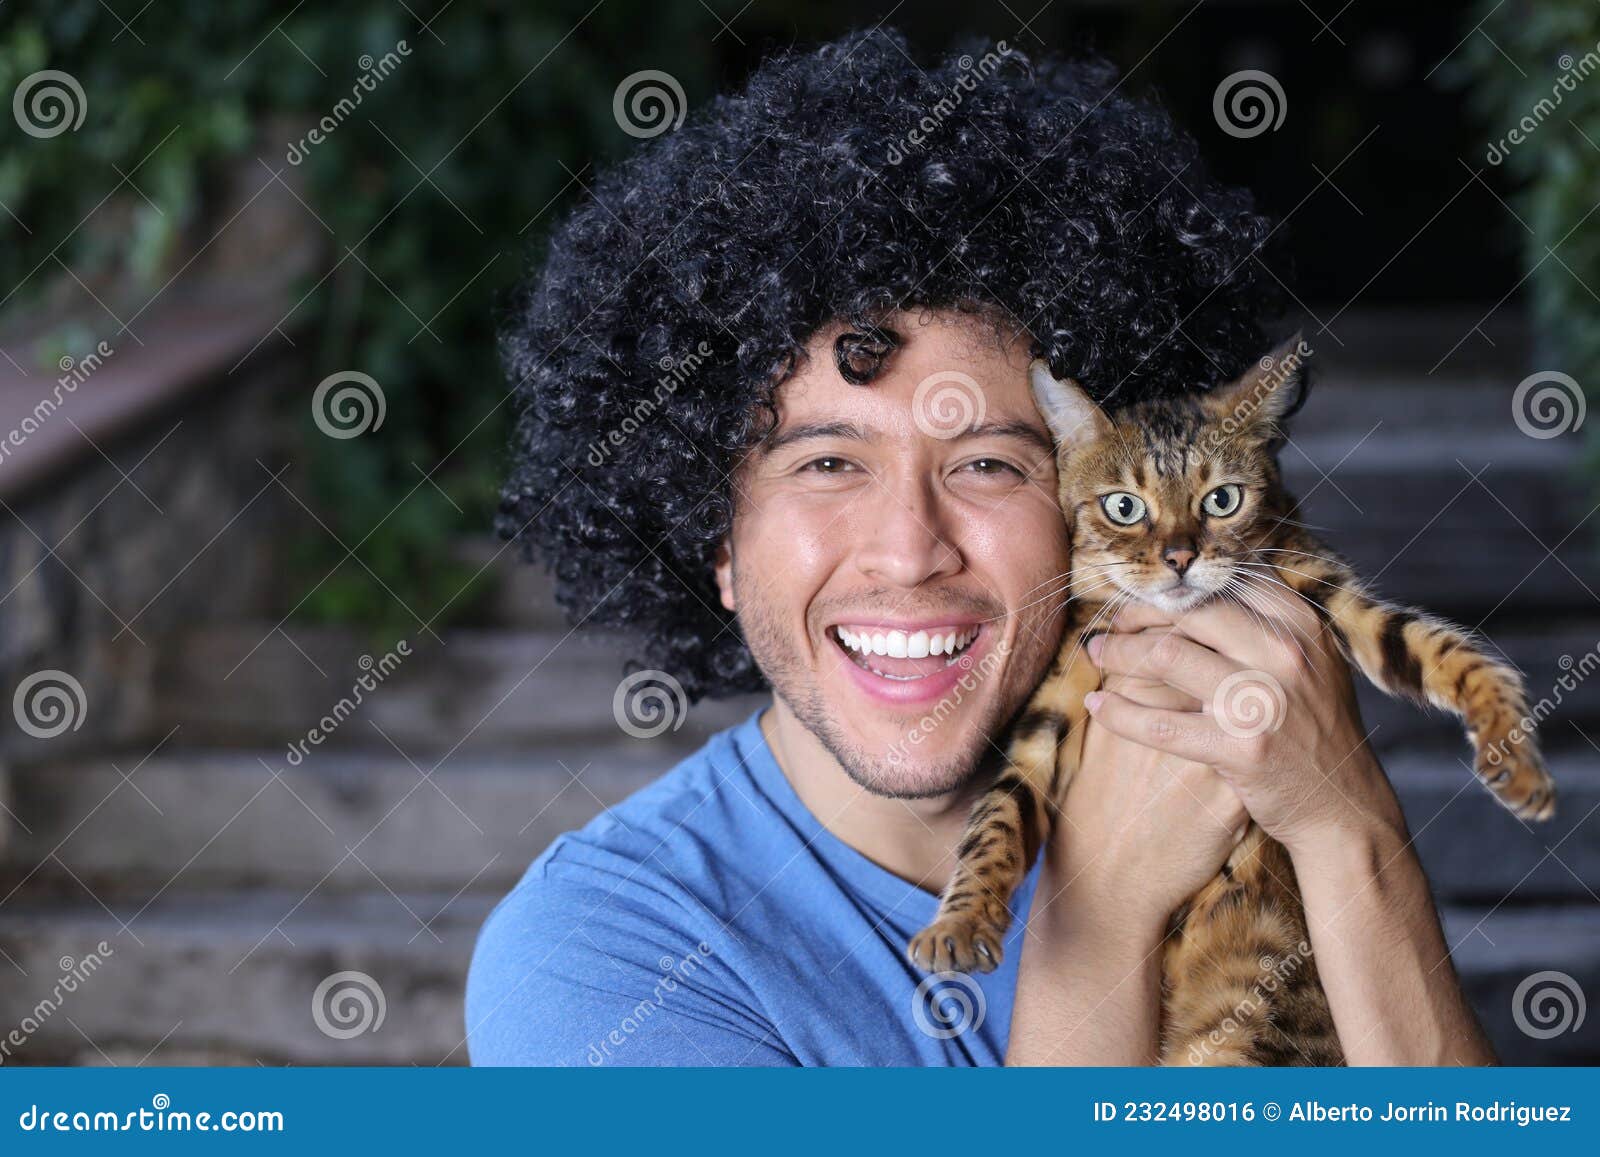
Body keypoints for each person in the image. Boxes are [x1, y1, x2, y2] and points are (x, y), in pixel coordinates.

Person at [466, 30, 1492, 1066]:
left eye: (989, 465)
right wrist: (1099, 918)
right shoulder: (596, 956)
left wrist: (1348, 824)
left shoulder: (1263, 809)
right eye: (826, 464)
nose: (911, 551)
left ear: (1092, 507)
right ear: (713, 538)